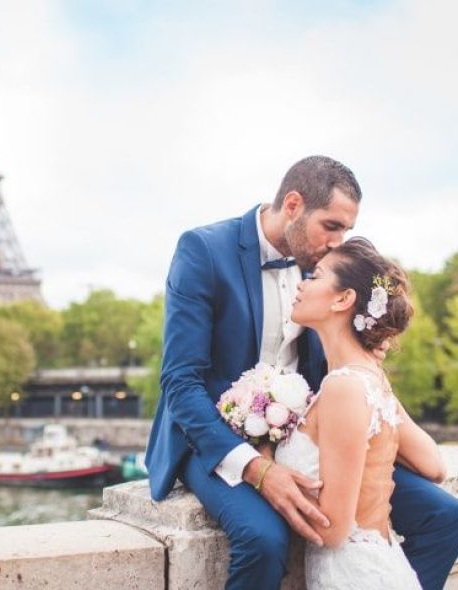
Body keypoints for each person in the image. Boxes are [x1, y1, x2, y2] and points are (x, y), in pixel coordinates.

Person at [145, 155, 458, 590]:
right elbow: (181, 382)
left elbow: (342, 367)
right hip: (213, 437)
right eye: (331, 226)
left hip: (310, 436)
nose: (338, 242)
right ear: (293, 205)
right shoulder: (203, 251)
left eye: (346, 230)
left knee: (445, 516)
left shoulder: (326, 273)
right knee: (262, 538)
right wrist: (257, 469)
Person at [275, 237, 451, 588]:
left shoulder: (343, 387)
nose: (302, 283)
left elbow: (334, 530)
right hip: (383, 564)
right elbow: (434, 466)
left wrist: (272, 485)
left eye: (316, 276)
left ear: (343, 299)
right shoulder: (372, 380)